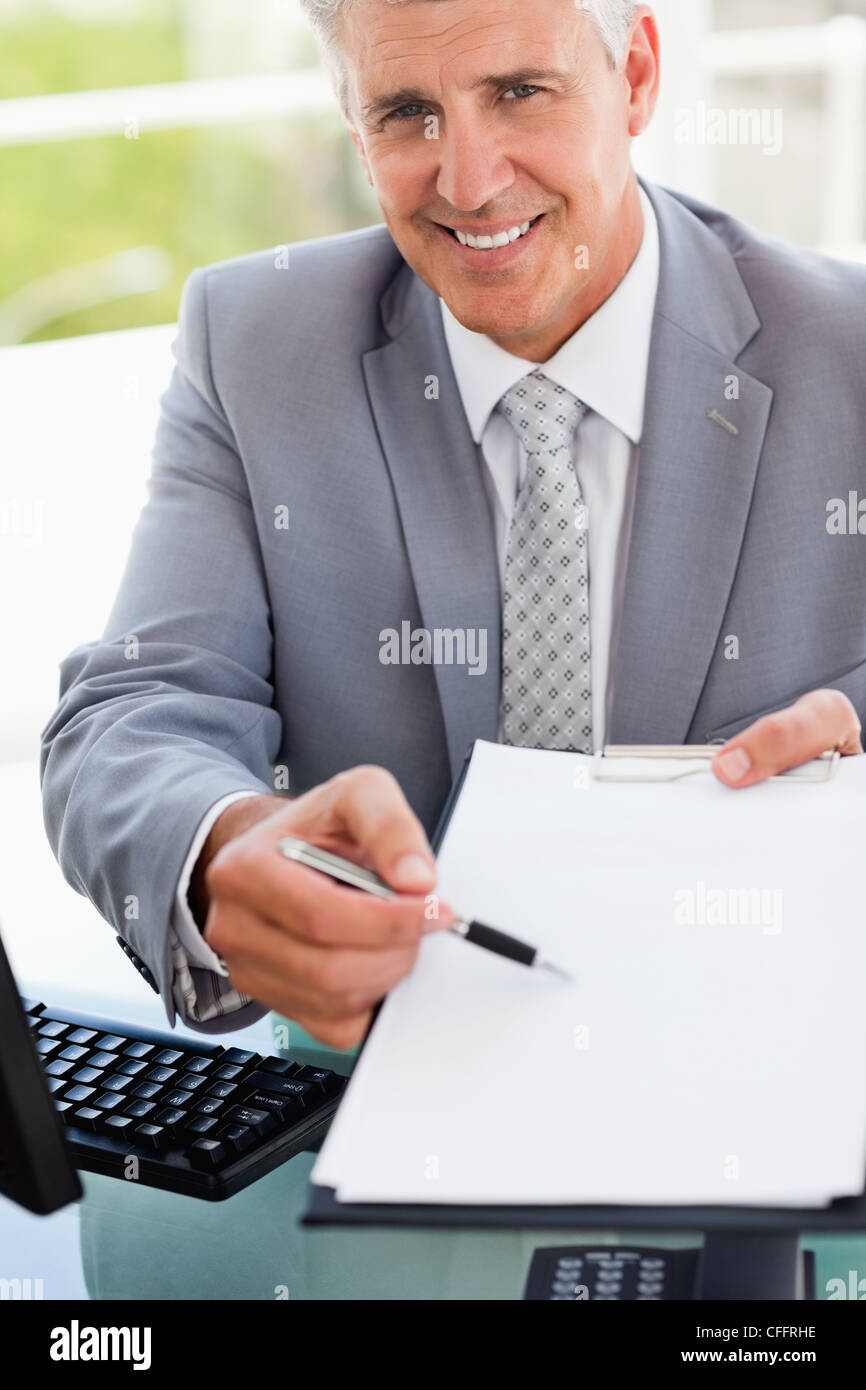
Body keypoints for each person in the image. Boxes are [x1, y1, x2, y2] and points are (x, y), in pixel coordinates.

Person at [41, 0, 865, 1049]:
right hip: (385, 1076)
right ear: (354, 124)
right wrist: (225, 845)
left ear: (636, 77)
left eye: (519, 92)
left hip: (774, 1061)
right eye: (404, 112)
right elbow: (135, 708)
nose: (469, 183)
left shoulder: (849, 356)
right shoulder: (253, 347)